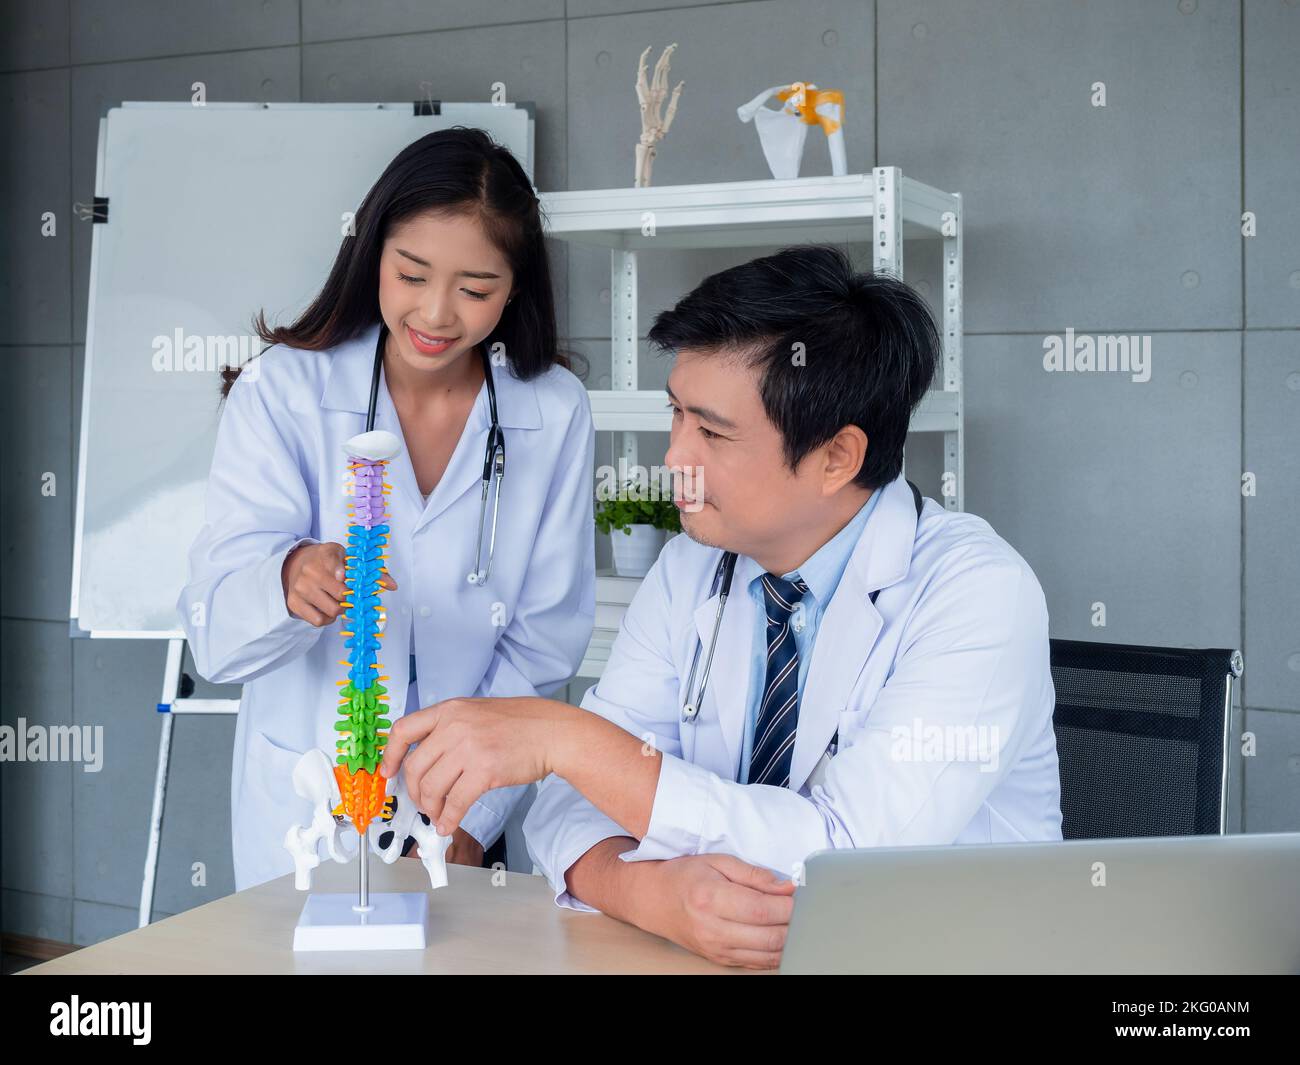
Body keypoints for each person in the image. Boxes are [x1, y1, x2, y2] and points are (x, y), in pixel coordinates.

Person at [378, 244, 1062, 970]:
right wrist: (651, 895)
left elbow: (846, 861)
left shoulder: (976, 593)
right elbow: (566, 808)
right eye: (676, 415)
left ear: (837, 456)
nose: (674, 457)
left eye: (711, 431)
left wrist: (567, 739)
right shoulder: (693, 567)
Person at [177, 127, 595, 891]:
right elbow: (215, 635)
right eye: (411, 274)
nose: (437, 314)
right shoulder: (285, 391)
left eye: (476, 290)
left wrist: (470, 813)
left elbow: (544, 642)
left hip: (460, 820)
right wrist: (287, 579)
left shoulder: (553, 410)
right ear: (372, 251)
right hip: (306, 814)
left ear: (516, 286)